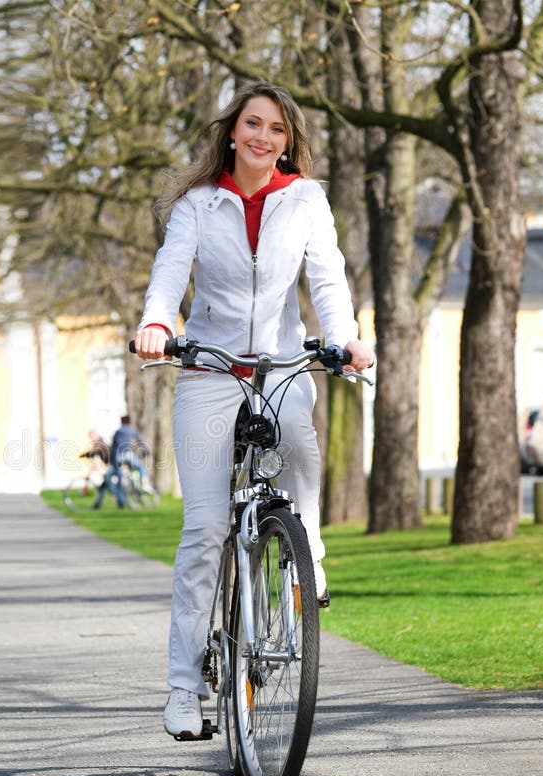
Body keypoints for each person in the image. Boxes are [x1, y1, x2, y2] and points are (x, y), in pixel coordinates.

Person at [133, 80, 375, 739]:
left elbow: (327, 275)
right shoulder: (197, 204)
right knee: (206, 531)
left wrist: (347, 337)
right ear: (233, 133)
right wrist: (156, 322)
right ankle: (185, 691)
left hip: (280, 362)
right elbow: (169, 270)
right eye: (253, 125)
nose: (263, 137)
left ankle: (309, 548)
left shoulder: (306, 201)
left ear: (287, 142)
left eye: (276, 129)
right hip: (210, 370)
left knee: (298, 432)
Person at [93, 416, 150, 509]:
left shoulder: (118, 431)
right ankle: (145, 484)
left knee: (119, 477)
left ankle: (123, 498)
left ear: (121, 421)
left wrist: (113, 460)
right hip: (128, 454)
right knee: (140, 467)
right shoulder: (132, 430)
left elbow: (114, 446)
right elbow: (140, 442)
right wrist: (146, 451)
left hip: (118, 456)